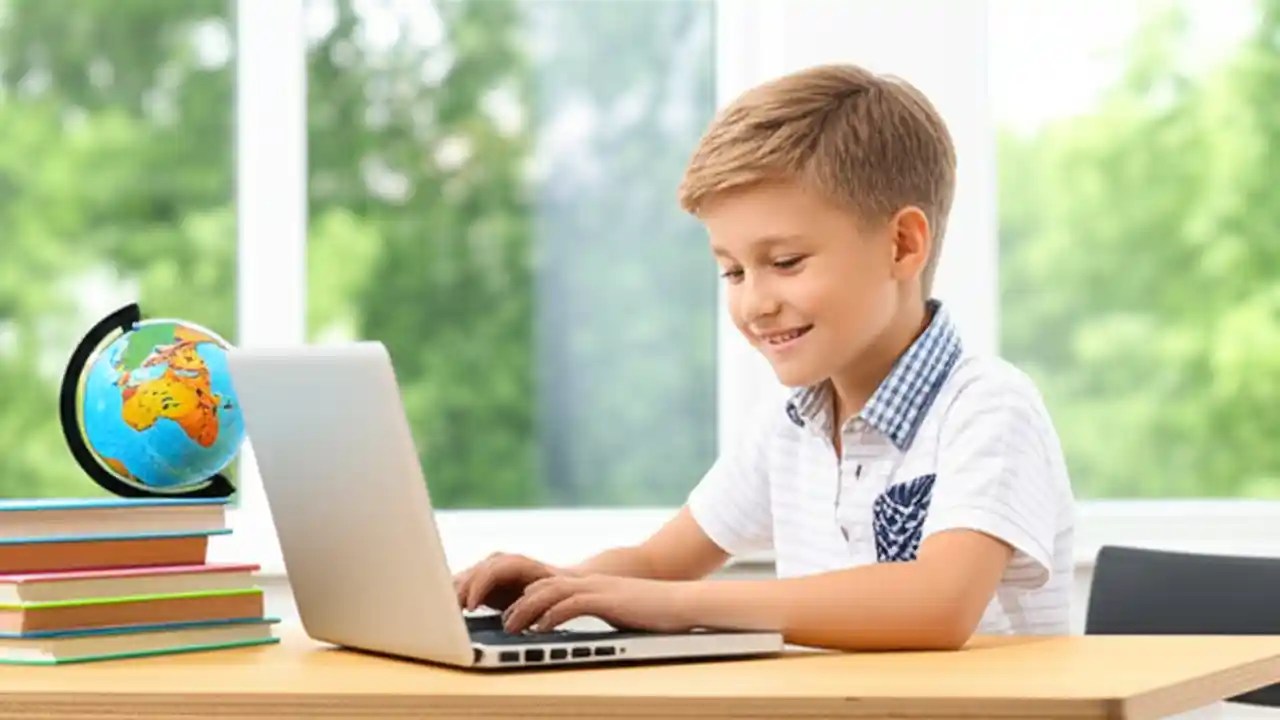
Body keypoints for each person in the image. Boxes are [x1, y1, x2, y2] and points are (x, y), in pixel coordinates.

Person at [453, 63, 1075, 651]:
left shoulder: (989, 407)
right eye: (731, 271)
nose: (755, 302)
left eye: (785, 263)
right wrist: (560, 585)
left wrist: (677, 606)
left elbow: (936, 603)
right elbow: (657, 564)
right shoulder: (790, 426)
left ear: (902, 245)